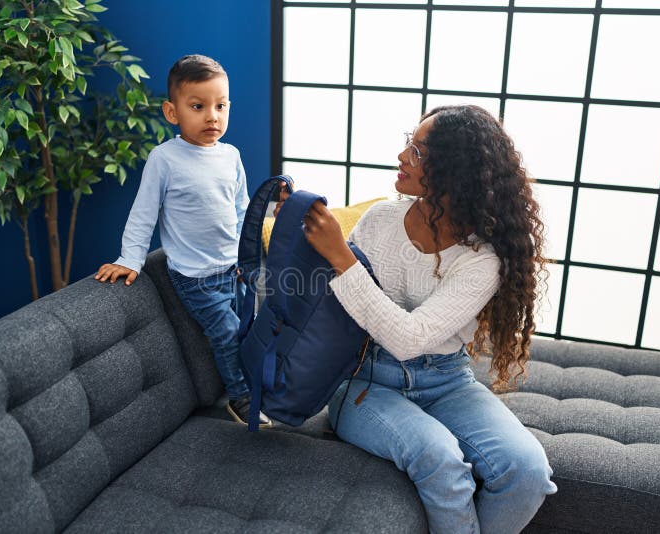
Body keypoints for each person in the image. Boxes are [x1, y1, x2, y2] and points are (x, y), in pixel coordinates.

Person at [302, 104, 558, 533]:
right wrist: (303, 230)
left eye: (419, 152)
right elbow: (331, 300)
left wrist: (341, 257)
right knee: (440, 459)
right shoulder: (379, 219)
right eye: (409, 143)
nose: (403, 156)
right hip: (364, 380)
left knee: (527, 472)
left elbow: (409, 337)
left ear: (456, 173)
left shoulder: (482, 258)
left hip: (446, 381)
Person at [95, 54, 285, 428]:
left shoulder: (231, 156)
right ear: (172, 112)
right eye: (198, 107)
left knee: (248, 327)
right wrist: (130, 259)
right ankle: (239, 397)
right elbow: (143, 213)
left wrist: (253, 247)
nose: (212, 116)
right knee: (226, 332)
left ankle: (261, 383)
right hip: (196, 278)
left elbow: (242, 210)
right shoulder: (164, 159)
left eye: (220, 106)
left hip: (235, 269)